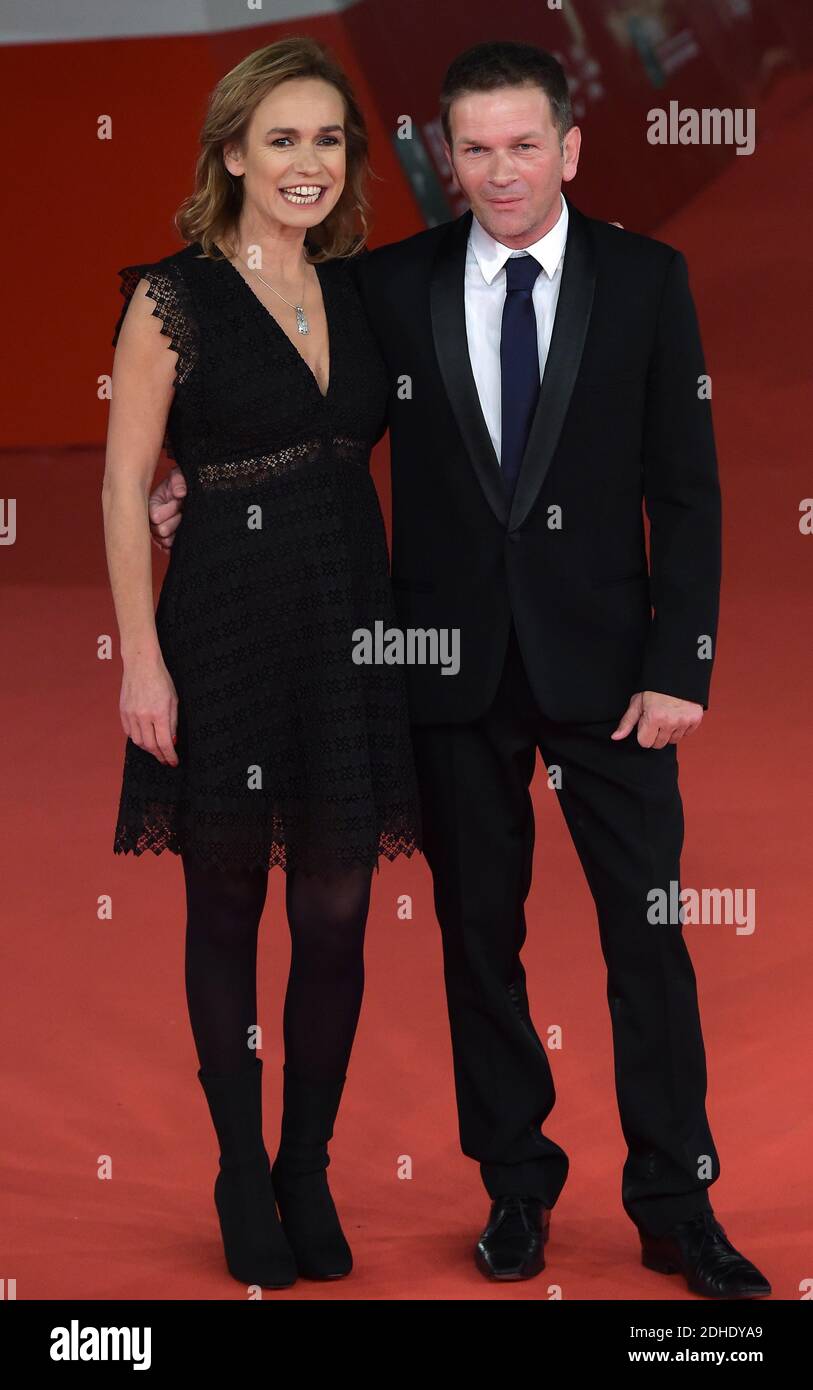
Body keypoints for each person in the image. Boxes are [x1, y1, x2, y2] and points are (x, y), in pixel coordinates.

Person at [146, 41, 771, 1299]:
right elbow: (315, 419)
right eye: (473, 149)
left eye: (523, 145)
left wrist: (683, 662)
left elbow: (688, 491)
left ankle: (674, 1203)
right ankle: (515, 1191)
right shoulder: (390, 285)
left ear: (570, 147)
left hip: (614, 676)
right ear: (442, 155)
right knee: (480, 945)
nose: (499, 172)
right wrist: (188, 477)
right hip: (445, 670)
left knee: (647, 939)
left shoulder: (649, 281)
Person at [102, 36, 422, 1291]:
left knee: (338, 910)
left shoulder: (362, 291)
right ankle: (240, 1168)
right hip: (225, 631)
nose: (307, 163)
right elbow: (128, 487)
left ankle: (308, 1164)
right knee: (227, 904)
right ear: (231, 153)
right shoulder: (170, 297)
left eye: (329, 140)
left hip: (352, 629)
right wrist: (142, 663)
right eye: (280, 139)